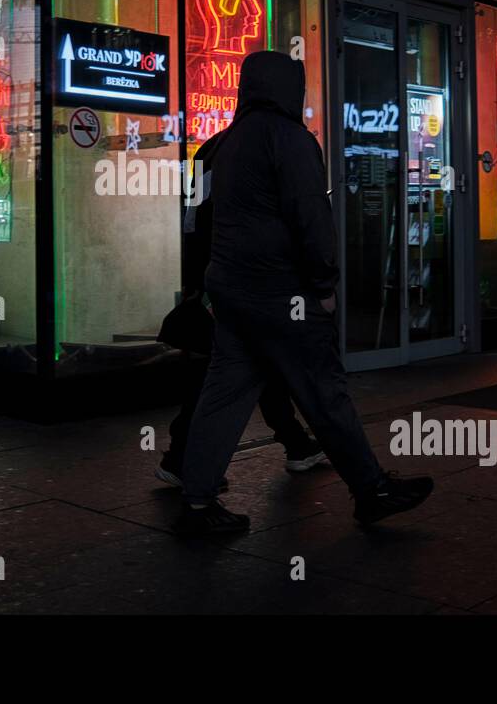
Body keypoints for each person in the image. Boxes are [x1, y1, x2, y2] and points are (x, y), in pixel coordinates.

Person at [173, 50, 433, 535]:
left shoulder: (222, 145)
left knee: (223, 394)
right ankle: (372, 491)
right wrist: (324, 286)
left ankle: (196, 501)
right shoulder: (291, 140)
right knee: (324, 391)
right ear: (289, 90)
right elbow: (312, 219)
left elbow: (201, 221)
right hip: (282, 293)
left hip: (231, 290)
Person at [155, 119, 329, 490]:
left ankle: (294, 443)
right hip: (254, 281)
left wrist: (197, 277)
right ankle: (184, 458)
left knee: (254, 364)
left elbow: (192, 217)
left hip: (218, 279)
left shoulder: (213, 148)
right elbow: (298, 219)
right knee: (240, 369)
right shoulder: (275, 145)